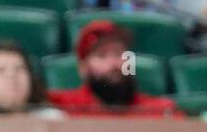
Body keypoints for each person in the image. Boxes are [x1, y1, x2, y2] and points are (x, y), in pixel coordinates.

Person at [47, 20, 182, 117]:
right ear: (83, 68)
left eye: (119, 53)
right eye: (102, 55)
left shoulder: (160, 110)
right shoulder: (62, 107)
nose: (114, 63)